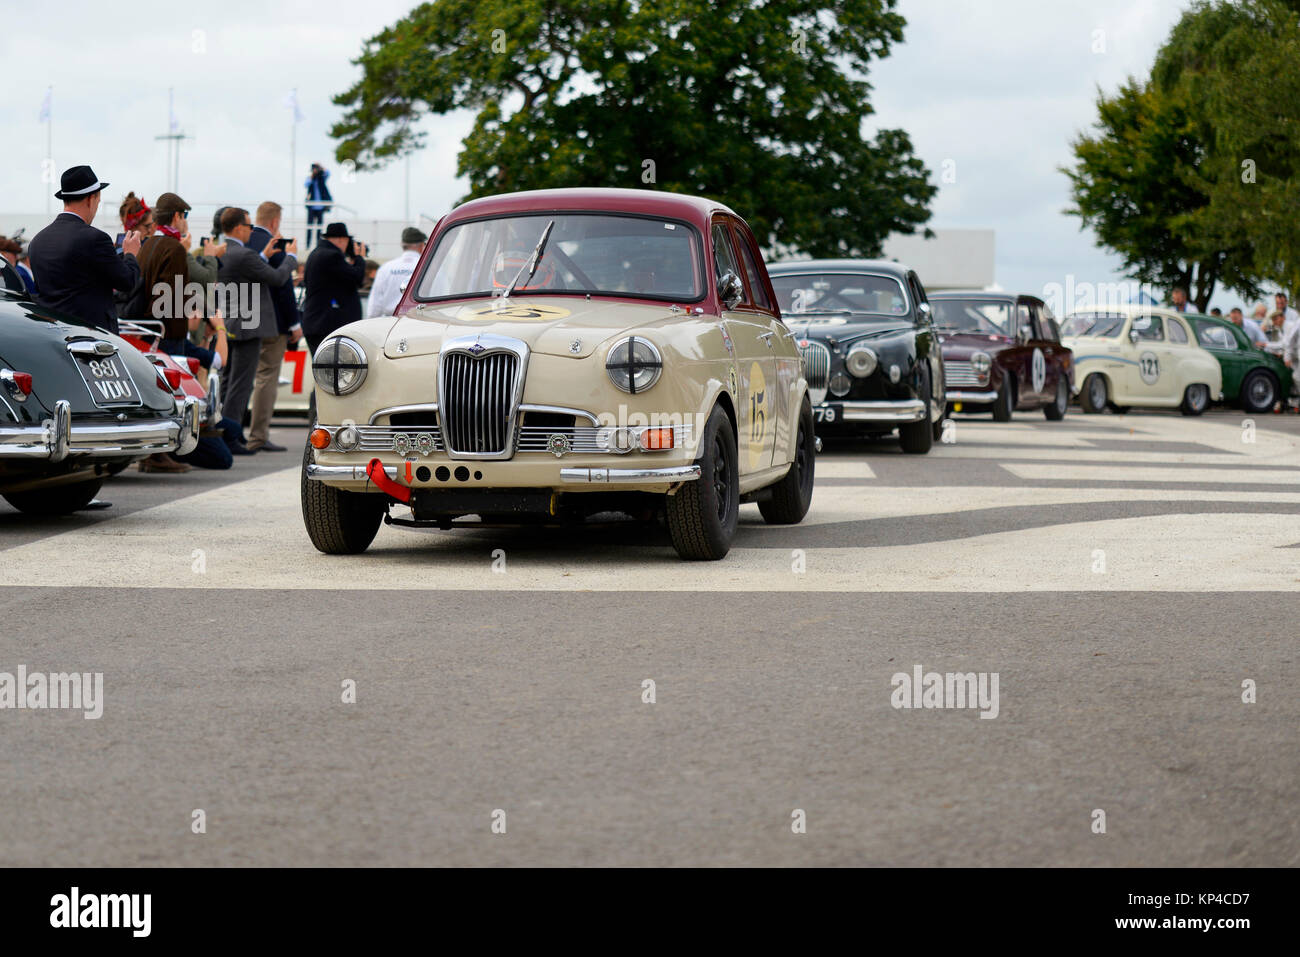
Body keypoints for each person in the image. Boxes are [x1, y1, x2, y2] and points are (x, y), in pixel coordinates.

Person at [216, 207, 297, 451]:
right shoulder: (244, 254)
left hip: (230, 323)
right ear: (239, 227)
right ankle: (230, 436)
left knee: (229, 380)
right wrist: (291, 257)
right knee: (242, 383)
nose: (251, 230)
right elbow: (277, 278)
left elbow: (246, 272)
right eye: (249, 226)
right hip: (249, 326)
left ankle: (226, 431)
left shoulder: (225, 251)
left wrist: (262, 256)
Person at [27, 165, 141, 334]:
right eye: (98, 201)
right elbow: (127, 281)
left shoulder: (37, 241)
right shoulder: (95, 239)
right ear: (90, 199)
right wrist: (131, 253)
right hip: (90, 342)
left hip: (52, 340)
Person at [243, 201, 304, 452]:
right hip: (273, 323)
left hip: (243, 319)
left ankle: (232, 432)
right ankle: (258, 435)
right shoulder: (275, 248)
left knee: (240, 377)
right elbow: (283, 288)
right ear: (275, 222)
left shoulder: (243, 243)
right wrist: (294, 323)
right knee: (267, 377)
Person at [301, 222, 367, 356]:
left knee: (325, 371)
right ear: (342, 240)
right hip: (326, 326)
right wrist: (360, 258)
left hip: (317, 324)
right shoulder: (331, 256)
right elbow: (356, 278)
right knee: (333, 372)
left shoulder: (317, 253)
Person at [366, 227, 426, 318]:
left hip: (391, 323)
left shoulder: (386, 268)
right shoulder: (428, 268)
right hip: (419, 322)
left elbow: (374, 309)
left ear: (402, 245)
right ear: (422, 245)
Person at [304, 163, 332, 248]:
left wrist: (321, 167)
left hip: (320, 207)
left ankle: (318, 246)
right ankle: (307, 246)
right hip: (311, 207)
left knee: (319, 228)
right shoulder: (310, 178)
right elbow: (306, 184)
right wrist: (312, 176)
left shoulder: (322, 178)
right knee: (309, 227)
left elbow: (328, 173)